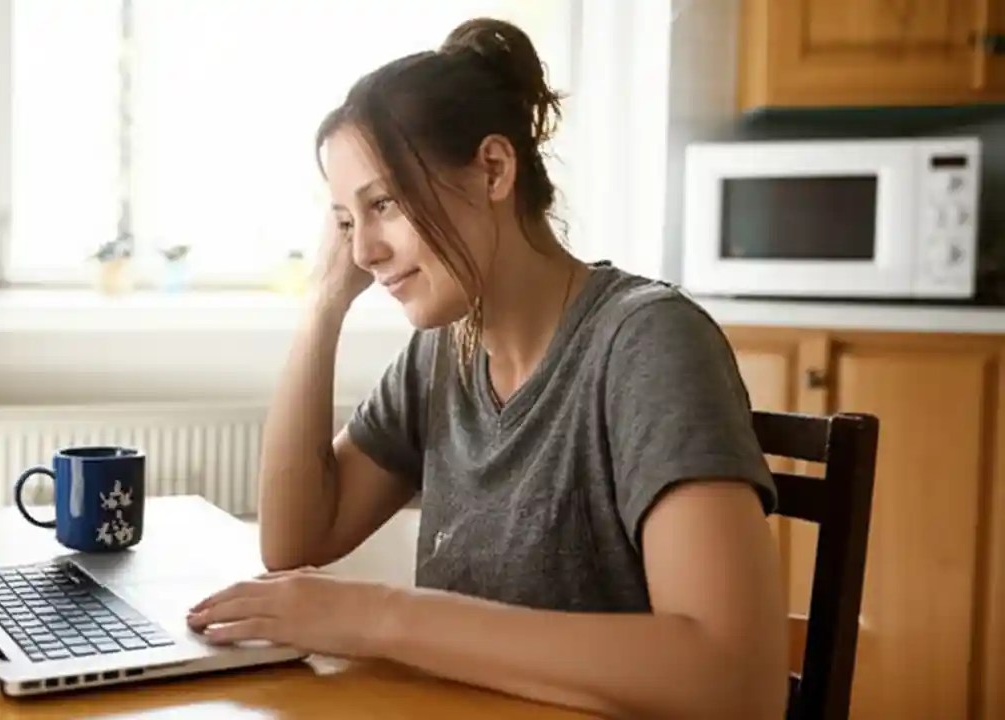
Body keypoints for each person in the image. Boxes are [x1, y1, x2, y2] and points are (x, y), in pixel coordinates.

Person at [187, 17, 787, 719]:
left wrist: (374, 615)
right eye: (348, 222)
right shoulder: (445, 352)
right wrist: (323, 302)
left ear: (494, 170)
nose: (364, 252)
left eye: (383, 204)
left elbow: (735, 681)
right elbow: (295, 540)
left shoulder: (648, 342)